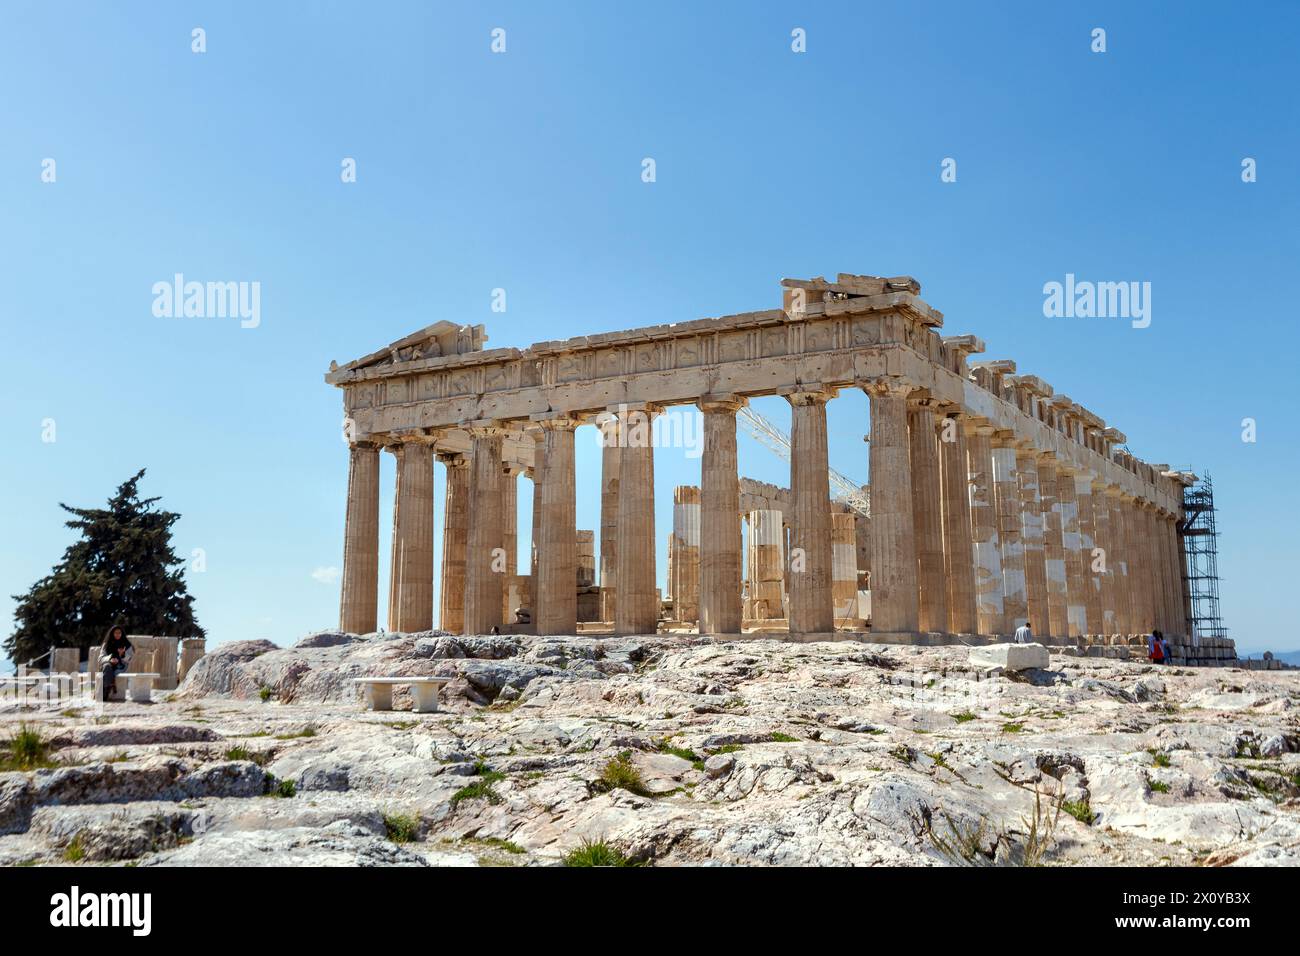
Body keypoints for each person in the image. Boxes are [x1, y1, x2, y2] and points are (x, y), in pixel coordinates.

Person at [99, 625, 133, 702]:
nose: (118, 634)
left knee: (109, 670)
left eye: (119, 633)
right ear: (112, 634)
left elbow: (130, 659)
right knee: (107, 667)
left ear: (122, 634)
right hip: (108, 664)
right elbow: (101, 658)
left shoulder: (127, 645)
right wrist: (110, 659)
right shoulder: (106, 644)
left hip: (121, 666)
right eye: (116, 633)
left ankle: (104, 692)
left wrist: (123, 655)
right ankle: (106, 689)